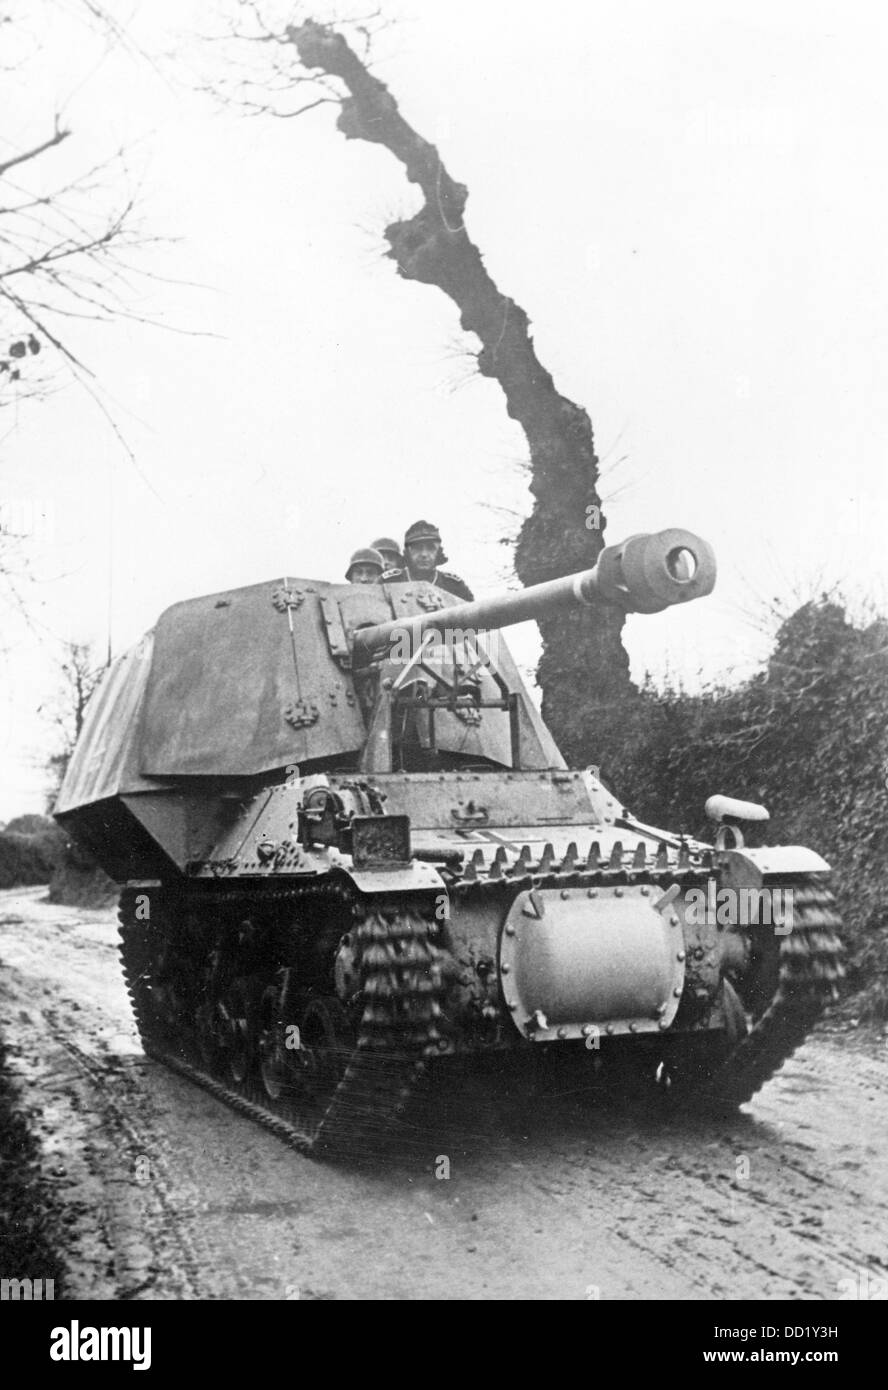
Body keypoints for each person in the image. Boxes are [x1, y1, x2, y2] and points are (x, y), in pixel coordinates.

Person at [383, 520, 474, 600]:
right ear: (407, 552)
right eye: (417, 548)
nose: (424, 554)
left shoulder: (454, 586)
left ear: (438, 551)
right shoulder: (389, 581)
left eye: (430, 548)